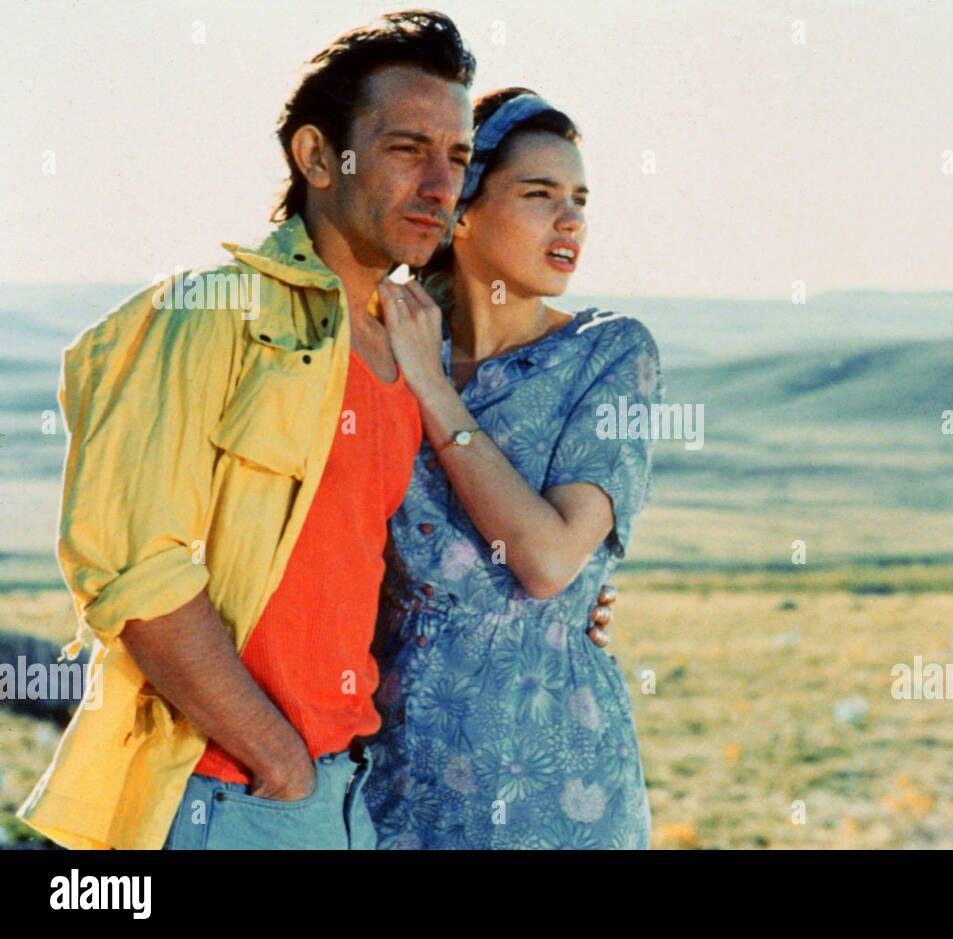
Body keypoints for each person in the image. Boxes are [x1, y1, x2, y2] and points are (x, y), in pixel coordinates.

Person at [18, 11, 617, 851]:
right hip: (219, 793)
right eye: (408, 148)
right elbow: (131, 563)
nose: (442, 186)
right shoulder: (210, 313)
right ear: (314, 157)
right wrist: (277, 759)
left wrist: (564, 610)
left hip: (351, 796)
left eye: (458, 158)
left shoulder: (410, 352)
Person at [363, 88, 662, 849]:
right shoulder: (378, 341)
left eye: (580, 201)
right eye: (540, 195)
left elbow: (551, 559)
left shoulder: (610, 353)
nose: (571, 222)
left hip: (554, 783)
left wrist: (431, 388)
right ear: (462, 209)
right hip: (387, 771)